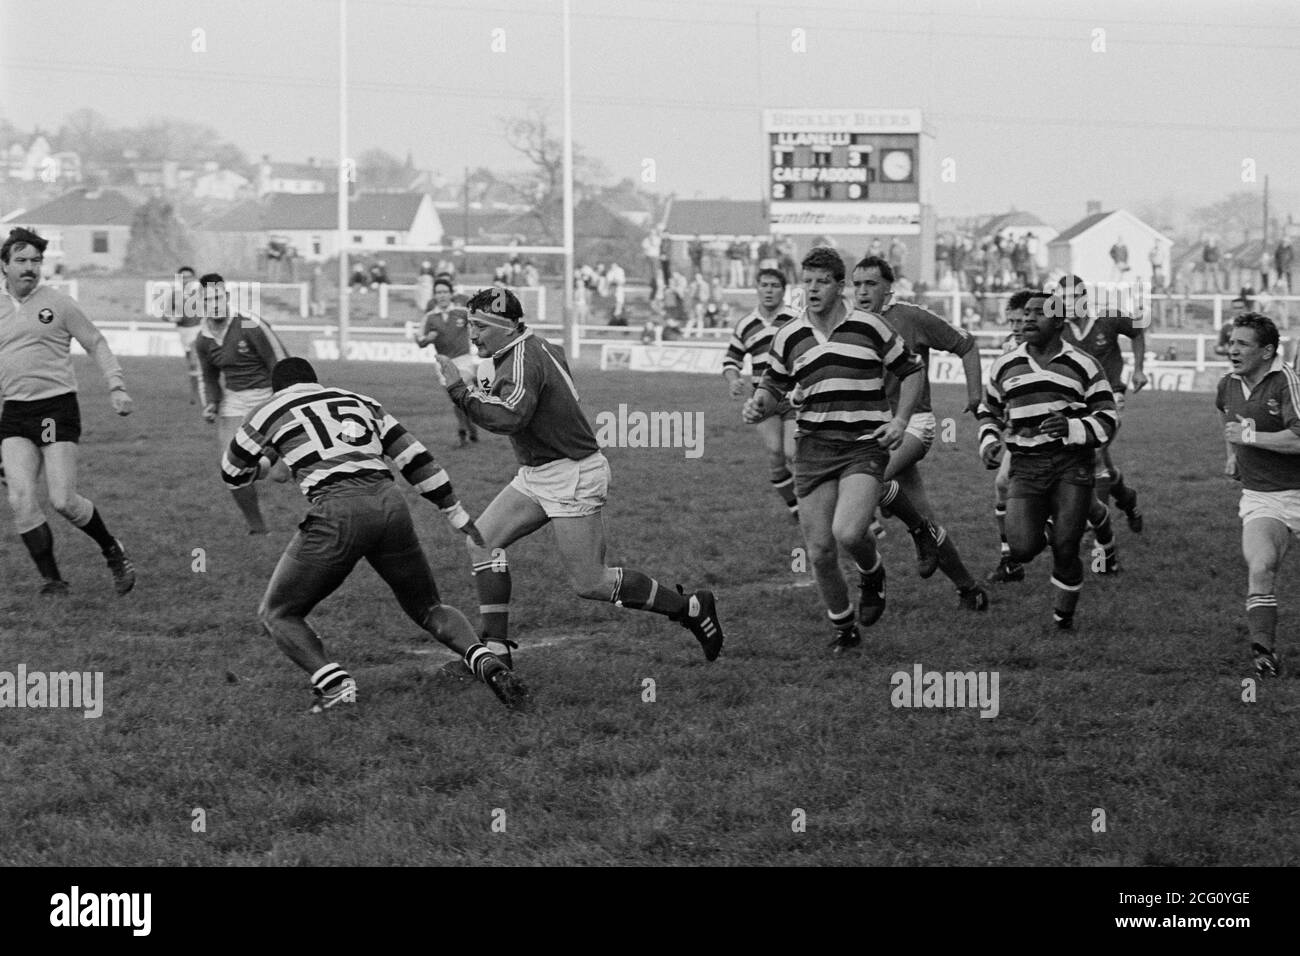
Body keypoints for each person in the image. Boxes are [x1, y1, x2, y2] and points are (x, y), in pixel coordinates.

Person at [432, 287, 726, 671]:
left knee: (592, 583)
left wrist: (460, 389)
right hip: (541, 471)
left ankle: (690, 607)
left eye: (481, 326)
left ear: (507, 327)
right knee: (482, 543)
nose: (472, 334)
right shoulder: (525, 349)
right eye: (470, 324)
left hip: (570, 472)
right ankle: (497, 652)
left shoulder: (523, 357)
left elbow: (510, 418)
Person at [221, 357, 529, 713]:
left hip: (337, 510)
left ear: (279, 389)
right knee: (429, 608)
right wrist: (454, 511)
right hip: (389, 505)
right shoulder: (361, 401)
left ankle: (334, 684)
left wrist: (270, 462)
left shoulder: (268, 410)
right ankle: (486, 661)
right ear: (316, 384)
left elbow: (232, 472)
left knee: (278, 612)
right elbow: (416, 459)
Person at [743, 247, 938, 654]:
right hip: (814, 447)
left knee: (848, 531)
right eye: (807, 281)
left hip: (864, 444)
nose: (812, 289)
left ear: (839, 286)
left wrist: (900, 420)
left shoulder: (870, 327)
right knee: (819, 550)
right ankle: (844, 628)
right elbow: (772, 385)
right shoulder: (789, 335)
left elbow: (911, 370)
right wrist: (758, 402)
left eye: (822, 281)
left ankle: (872, 571)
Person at [0, 227, 135, 596]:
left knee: (62, 500)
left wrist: (116, 385)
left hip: (54, 409)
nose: (30, 268)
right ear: (4, 266)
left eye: (36, 261)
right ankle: (53, 582)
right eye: (22, 261)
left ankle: (112, 549)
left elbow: (95, 342)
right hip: (14, 413)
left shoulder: (58, 304)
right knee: (20, 499)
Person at [851, 255, 989, 610]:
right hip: (875, 430)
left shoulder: (910, 317)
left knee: (868, 481)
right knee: (924, 516)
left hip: (913, 423)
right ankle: (969, 589)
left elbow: (966, 344)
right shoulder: (850, 324)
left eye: (871, 284)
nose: (862, 291)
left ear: (889, 287)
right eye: (857, 284)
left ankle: (908, 537)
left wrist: (975, 396)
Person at [976, 291, 1118, 630]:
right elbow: (988, 411)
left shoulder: (1083, 364)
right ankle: (1056, 523)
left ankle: (1063, 618)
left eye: (1038, 313)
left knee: (1066, 547)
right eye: (1025, 313)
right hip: (1025, 466)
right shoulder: (1005, 365)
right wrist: (990, 442)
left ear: (1059, 321)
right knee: (1022, 549)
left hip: (1072, 464)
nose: (1027, 319)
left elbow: (1108, 417)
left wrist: (1072, 426)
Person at [1216, 312, 1300, 678]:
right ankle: (1264, 653)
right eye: (1231, 343)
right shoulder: (1228, 385)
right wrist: (1233, 455)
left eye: (1242, 344)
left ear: (1266, 352)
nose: (1232, 350)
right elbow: (1229, 421)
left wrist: (1248, 439)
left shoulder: (1287, 383)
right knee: (1261, 565)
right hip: (1265, 496)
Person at [1057, 274, 1147, 559]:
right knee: (1096, 461)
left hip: (1110, 398)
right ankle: (1127, 499)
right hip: (1074, 405)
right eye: (1064, 299)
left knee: (1094, 455)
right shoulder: (1058, 327)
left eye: (1073, 297)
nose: (1069, 304)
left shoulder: (1107, 317)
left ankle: (1099, 542)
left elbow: (1138, 330)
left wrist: (1139, 369)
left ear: (1085, 297)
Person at [195, 272, 291, 535]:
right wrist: (211, 404)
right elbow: (209, 376)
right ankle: (258, 529)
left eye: (218, 297)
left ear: (226, 298)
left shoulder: (249, 324)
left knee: (280, 476)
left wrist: (287, 399)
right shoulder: (203, 339)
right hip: (233, 403)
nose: (214, 304)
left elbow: (280, 360)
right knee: (231, 468)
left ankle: (277, 452)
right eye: (208, 300)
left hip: (268, 397)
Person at [721, 268, 801, 520]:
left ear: (783, 290)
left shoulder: (795, 319)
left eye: (774, 285)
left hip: (791, 397)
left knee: (792, 452)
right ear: (757, 288)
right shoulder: (746, 324)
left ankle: (817, 502)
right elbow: (731, 360)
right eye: (764, 285)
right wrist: (734, 380)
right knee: (775, 454)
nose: (768, 290)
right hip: (763, 400)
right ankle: (797, 508)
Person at [987, 290, 1035, 583]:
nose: (1016, 327)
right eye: (1012, 321)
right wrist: (992, 432)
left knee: (1084, 507)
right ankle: (1010, 560)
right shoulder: (1009, 348)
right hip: (1020, 434)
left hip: (1056, 436)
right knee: (1002, 485)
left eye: (1021, 320)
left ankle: (1104, 545)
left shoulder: (1049, 346)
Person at [416, 276, 479, 447]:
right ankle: (470, 427)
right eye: (438, 292)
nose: (442, 295)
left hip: (463, 360)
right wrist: (427, 339)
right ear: (434, 295)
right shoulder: (430, 317)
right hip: (443, 362)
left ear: (451, 294)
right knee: (457, 400)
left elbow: (479, 323)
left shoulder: (461, 312)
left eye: (445, 292)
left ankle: (462, 430)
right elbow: (420, 340)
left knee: (461, 391)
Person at [165, 265, 202, 405]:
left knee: (194, 361)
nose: (186, 280)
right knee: (192, 365)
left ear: (194, 278)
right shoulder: (174, 295)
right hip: (183, 332)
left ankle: (198, 395)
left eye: (188, 277)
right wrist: (171, 317)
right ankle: (196, 393)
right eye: (183, 277)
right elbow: (165, 314)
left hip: (198, 330)